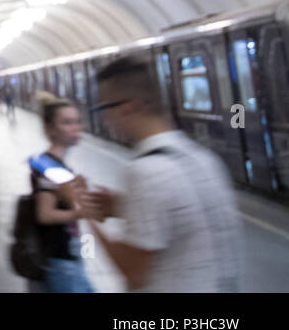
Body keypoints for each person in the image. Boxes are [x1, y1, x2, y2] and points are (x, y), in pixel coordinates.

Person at [82, 56, 242, 292]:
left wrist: (87, 218)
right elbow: (184, 214)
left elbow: (134, 273)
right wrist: (124, 206)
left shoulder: (145, 172)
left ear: (130, 107)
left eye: (105, 108)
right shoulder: (204, 159)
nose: (104, 119)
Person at [27, 93, 95, 292]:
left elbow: (64, 201)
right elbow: (45, 214)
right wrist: (81, 212)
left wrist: (77, 193)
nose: (75, 128)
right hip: (60, 259)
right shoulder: (49, 167)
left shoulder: (58, 166)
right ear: (50, 129)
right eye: (67, 123)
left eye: (77, 121)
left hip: (66, 255)